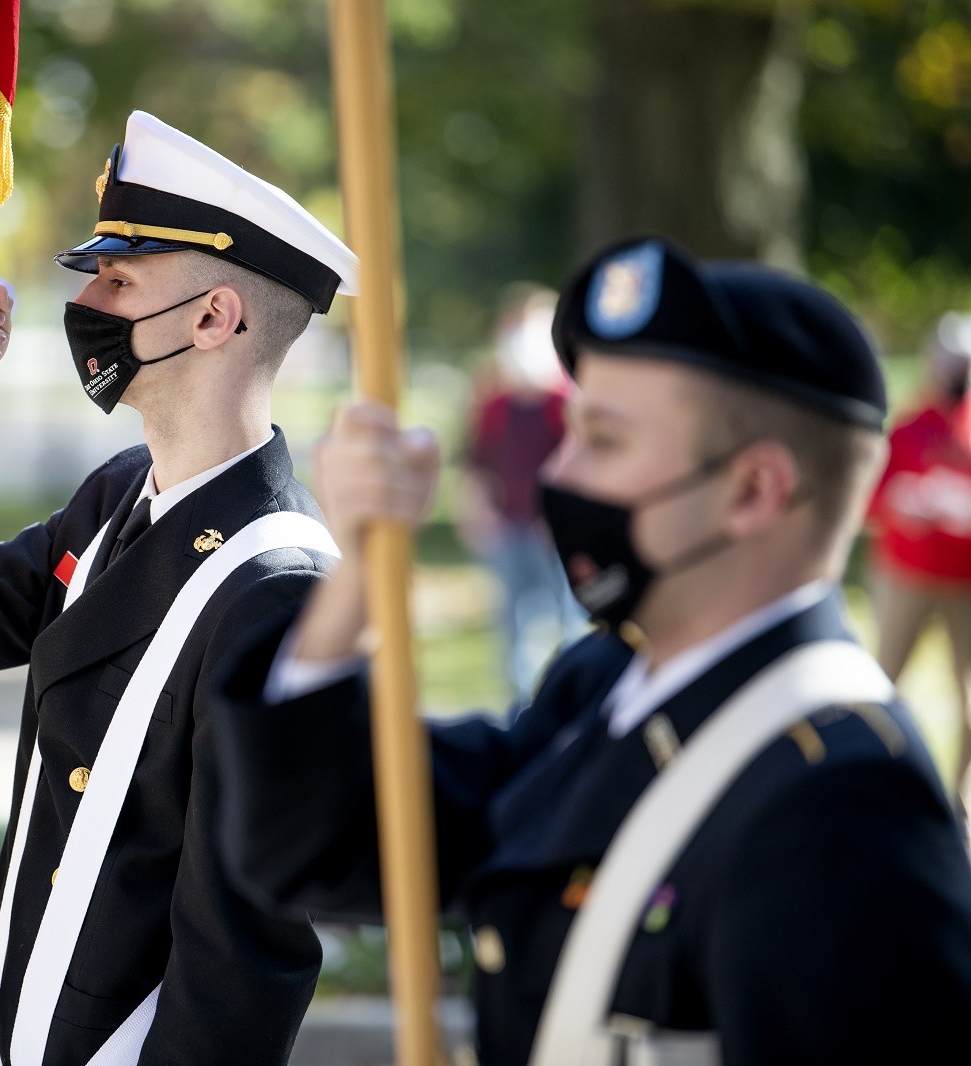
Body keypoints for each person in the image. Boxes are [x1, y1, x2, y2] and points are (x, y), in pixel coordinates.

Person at [213, 237, 971, 1065]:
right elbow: (317, 844)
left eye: (605, 443)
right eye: (571, 433)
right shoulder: (605, 682)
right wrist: (361, 572)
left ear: (755, 490)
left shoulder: (844, 809)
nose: (563, 474)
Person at [0, 110, 356, 1064]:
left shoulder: (278, 584)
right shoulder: (115, 498)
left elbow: (240, 961)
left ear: (212, 317)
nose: (89, 302)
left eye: (119, 278)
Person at [461, 283, 583, 698]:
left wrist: (561, 516)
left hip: (556, 532)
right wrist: (479, 512)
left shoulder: (565, 404)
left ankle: (576, 702)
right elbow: (476, 463)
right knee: (514, 631)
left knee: (572, 623)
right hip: (509, 531)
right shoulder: (494, 403)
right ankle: (522, 712)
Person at [867, 312, 971, 793]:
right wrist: (901, 500)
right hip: (906, 574)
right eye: (948, 361)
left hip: (964, 580)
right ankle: (874, 783)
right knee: (883, 682)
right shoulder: (909, 427)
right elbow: (871, 497)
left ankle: (958, 798)